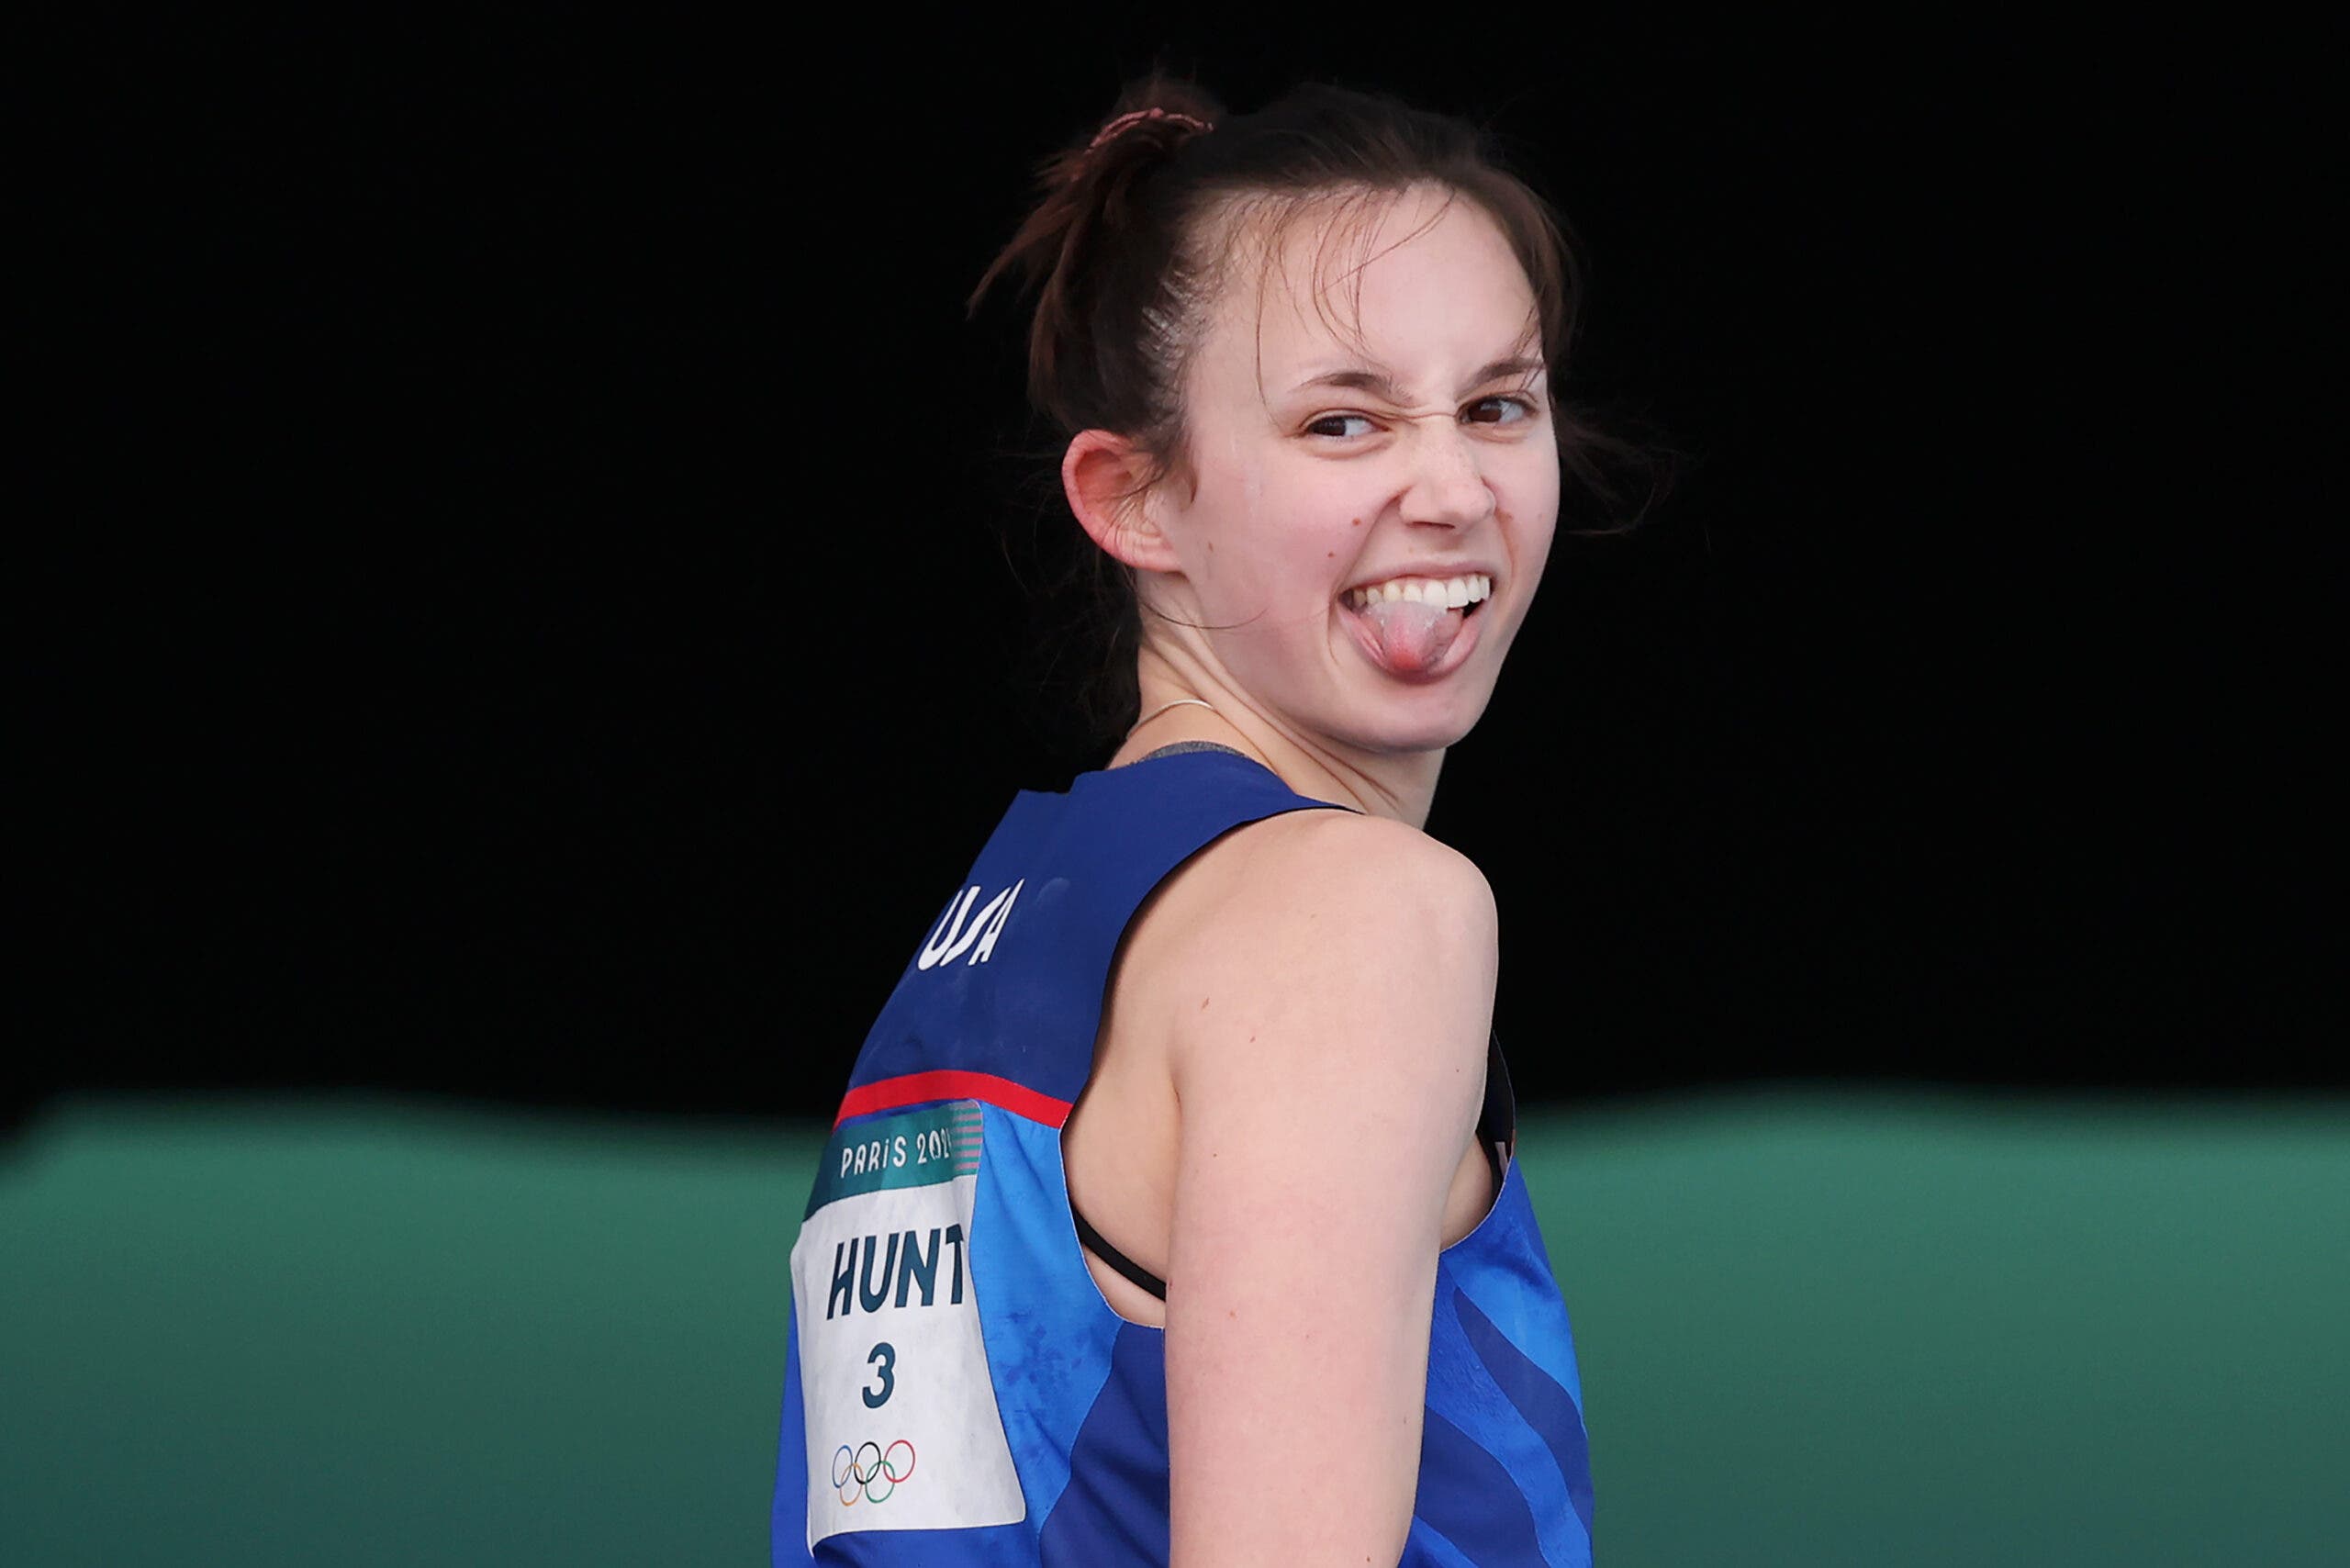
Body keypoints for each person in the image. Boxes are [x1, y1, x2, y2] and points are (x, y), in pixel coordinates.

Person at [775, 73, 1612, 1567]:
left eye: (1498, 405)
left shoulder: (1012, 924)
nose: (1451, 486)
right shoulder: (1351, 913)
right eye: (1343, 422)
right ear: (1136, 500)